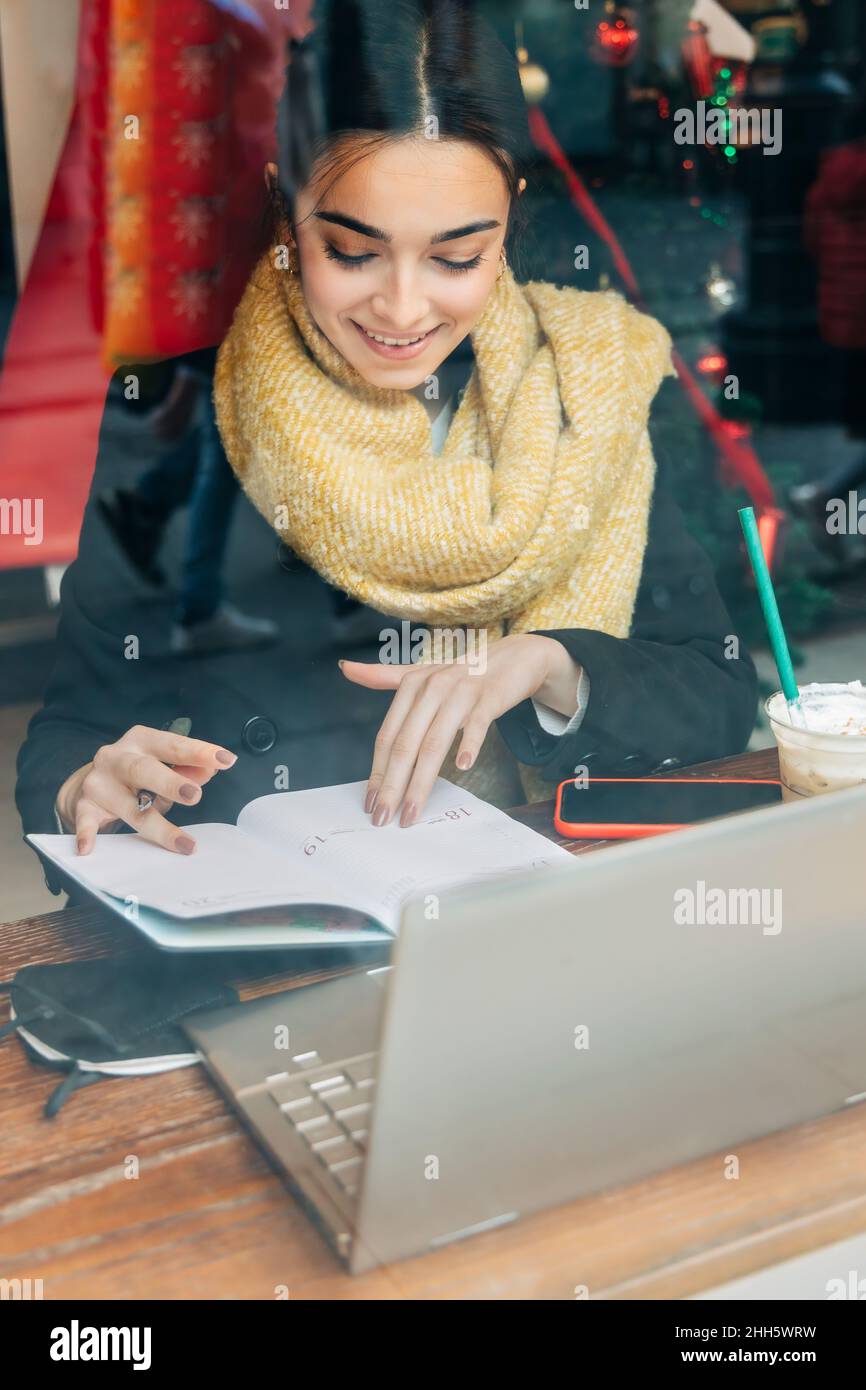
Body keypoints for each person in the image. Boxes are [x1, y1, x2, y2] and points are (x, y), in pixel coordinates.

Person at [17, 0, 757, 883]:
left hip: (549, 923)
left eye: (455, 259)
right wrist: (84, 791)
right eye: (352, 251)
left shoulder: (586, 388)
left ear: (510, 222)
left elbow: (717, 696)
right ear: (282, 202)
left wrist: (555, 665)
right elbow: (66, 736)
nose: (403, 311)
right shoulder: (169, 414)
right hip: (284, 941)